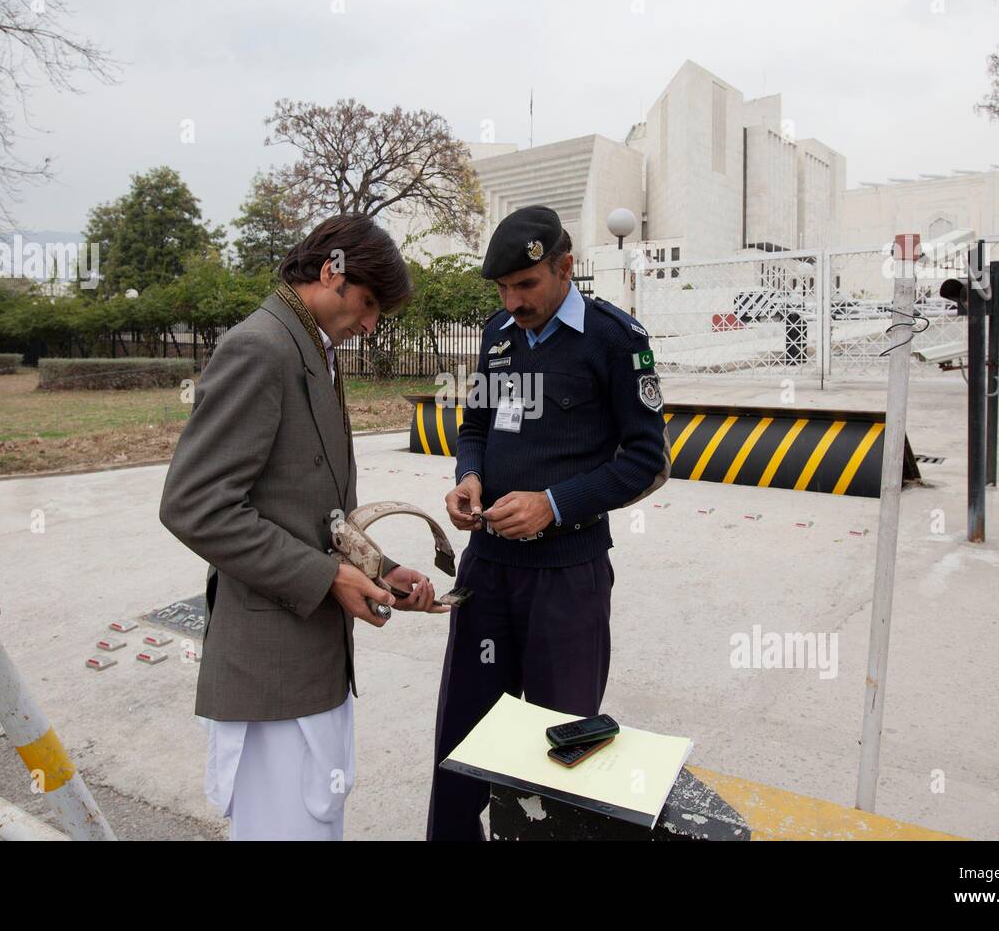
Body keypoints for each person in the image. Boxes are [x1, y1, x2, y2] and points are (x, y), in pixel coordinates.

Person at [159, 214, 446, 841]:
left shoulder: (309, 347)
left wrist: (378, 568)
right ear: (329, 273)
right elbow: (195, 505)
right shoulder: (261, 347)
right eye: (368, 304)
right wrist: (325, 577)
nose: (371, 324)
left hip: (313, 657)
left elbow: (316, 512)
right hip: (272, 671)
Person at [428, 204, 670, 840]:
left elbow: (647, 462)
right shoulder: (497, 335)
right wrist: (468, 476)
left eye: (526, 285)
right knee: (463, 736)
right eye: (503, 289)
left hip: (567, 576)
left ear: (566, 267)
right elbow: (475, 426)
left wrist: (554, 503)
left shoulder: (618, 341)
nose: (513, 300)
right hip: (488, 573)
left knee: (561, 745)